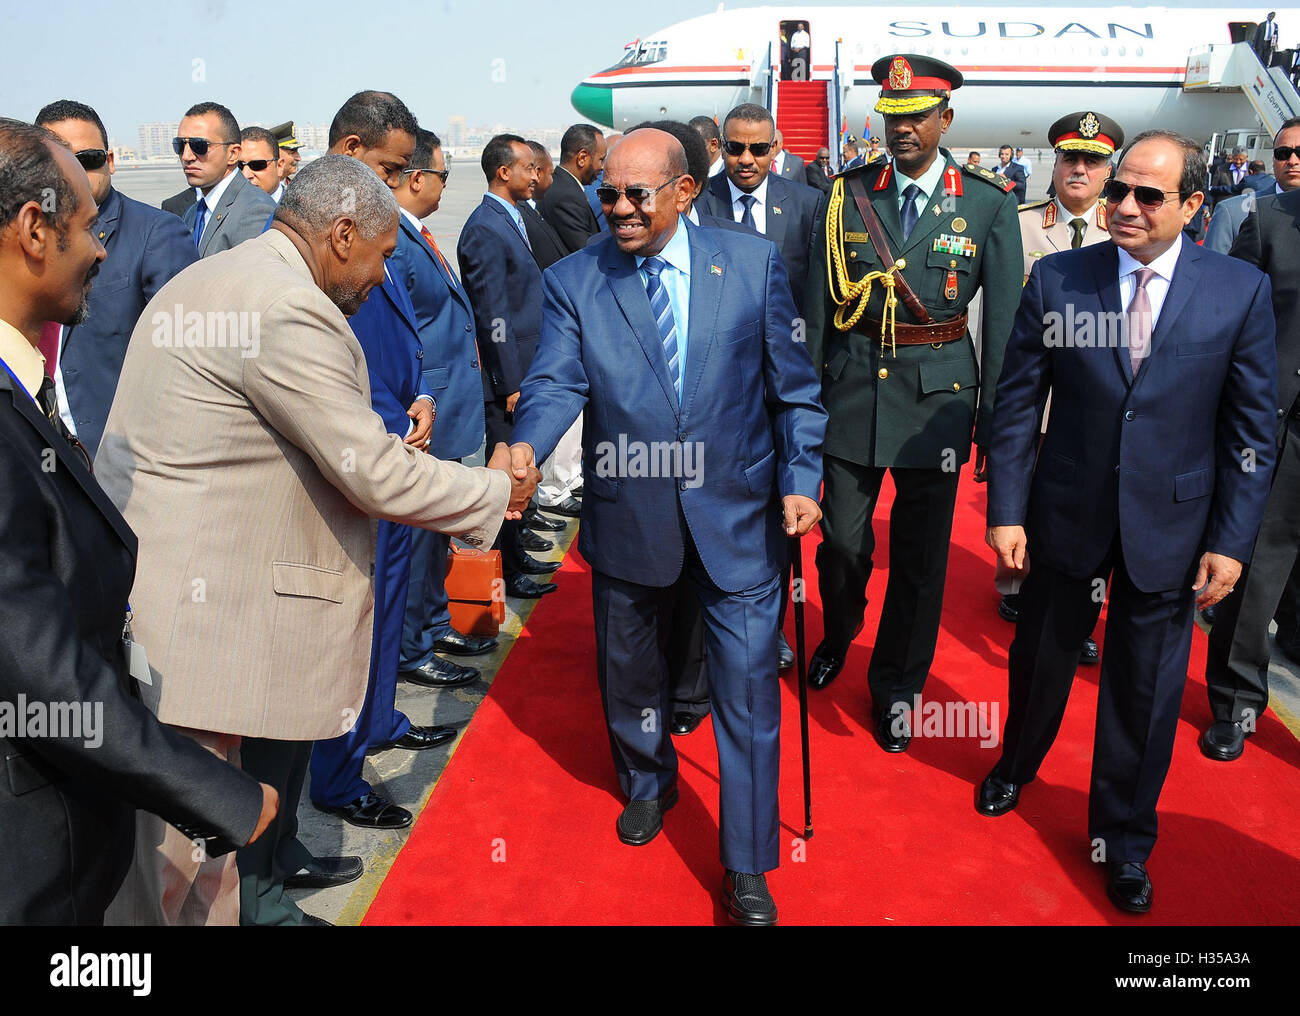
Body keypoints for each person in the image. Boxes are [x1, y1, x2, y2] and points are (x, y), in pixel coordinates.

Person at [96, 153, 533, 926]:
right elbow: (372, 474)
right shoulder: (289, 306)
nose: (379, 275)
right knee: (178, 877)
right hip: (210, 626)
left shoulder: (214, 278)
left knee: (208, 858)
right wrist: (497, 492)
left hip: (170, 605)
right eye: (381, 254)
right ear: (340, 235)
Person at [509, 128, 826, 925]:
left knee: (749, 698)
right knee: (631, 680)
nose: (617, 207)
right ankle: (648, 783)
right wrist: (521, 449)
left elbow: (795, 390)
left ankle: (748, 863)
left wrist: (801, 476)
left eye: (635, 194)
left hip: (740, 519)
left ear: (685, 193)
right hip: (629, 516)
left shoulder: (751, 267)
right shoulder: (574, 280)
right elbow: (554, 382)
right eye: (607, 193)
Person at [980, 130, 1277, 914]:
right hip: (1066, 510)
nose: (1127, 207)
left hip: (1173, 528)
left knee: (1143, 693)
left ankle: (1123, 839)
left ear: (1193, 206)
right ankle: (1017, 762)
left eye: (1150, 195)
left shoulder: (1236, 292)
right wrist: (1005, 510)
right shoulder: (1057, 279)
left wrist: (1231, 543)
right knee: (1041, 659)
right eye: (1120, 191)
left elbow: (1250, 433)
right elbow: (1014, 407)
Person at [0, 117, 276, 926]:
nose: (102, 251)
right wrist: (210, 788)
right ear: (33, 229)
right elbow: (39, 663)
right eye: (86, 227)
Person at [803, 55, 1024, 755]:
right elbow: (816, 311)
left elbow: (1009, 323)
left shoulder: (987, 203)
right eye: (893, 117)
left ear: (946, 120)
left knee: (924, 562)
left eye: (917, 117)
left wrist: (998, 424)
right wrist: (802, 410)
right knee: (840, 544)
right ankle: (840, 629)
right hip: (853, 390)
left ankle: (898, 687)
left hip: (941, 402)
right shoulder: (845, 194)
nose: (901, 129)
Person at [308, 93, 460, 854]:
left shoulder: (374, 233)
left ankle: (378, 722)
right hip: (363, 460)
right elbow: (329, 370)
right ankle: (337, 777)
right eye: (393, 166)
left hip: (401, 442)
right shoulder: (323, 245)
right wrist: (389, 424)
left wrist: (422, 396)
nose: (402, 180)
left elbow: (405, 337)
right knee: (355, 627)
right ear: (352, 147)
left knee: (388, 611)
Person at [997, 110, 1126, 667]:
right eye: (1070, 158)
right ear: (1054, 163)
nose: (1079, 169)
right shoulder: (1018, 224)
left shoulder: (1126, 231)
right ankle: (1018, 583)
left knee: (1085, 507)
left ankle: (1077, 610)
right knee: (1024, 493)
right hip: (1029, 391)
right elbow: (991, 313)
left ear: (1107, 170)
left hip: (1091, 400)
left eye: (1092, 160)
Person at [392, 129, 500, 683]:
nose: (443, 185)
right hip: (424, 414)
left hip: (448, 405)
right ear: (417, 178)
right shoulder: (397, 246)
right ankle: (413, 647)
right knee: (417, 541)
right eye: (441, 175)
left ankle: (434, 624)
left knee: (436, 537)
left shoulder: (420, 237)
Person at [1198, 178, 1300, 762]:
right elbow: (1230, 321)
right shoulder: (1270, 220)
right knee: (1258, 563)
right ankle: (1235, 699)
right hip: (1279, 430)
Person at [33, 99, 196, 458]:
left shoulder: (157, 234)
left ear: (110, 162)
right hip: (39, 448)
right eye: (57, 162)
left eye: (87, 159)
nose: (73, 172)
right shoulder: (26, 241)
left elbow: (188, 361)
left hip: (120, 458)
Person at [458, 134, 558, 599]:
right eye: (528, 169)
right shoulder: (483, 227)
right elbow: (492, 313)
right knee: (504, 474)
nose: (535, 176)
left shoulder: (510, 218)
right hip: (508, 379)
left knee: (521, 471)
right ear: (504, 172)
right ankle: (504, 573)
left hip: (527, 367)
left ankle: (517, 557)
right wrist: (511, 381)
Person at [696, 103, 823, 313]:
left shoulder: (806, 204)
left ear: (773, 148)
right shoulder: (697, 202)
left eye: (758, 149)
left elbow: (815, 288)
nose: (746, 159)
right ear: (722, 146)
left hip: (786, 334)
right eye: (735, 148)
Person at [175, 102, 276, 256]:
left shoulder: (254, 210)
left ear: (233, 154)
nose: (187, 156)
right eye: (180, 145)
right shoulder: (194, 212)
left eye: (199, 146)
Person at [1205, 118, 1300, 253]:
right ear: (1273, 160)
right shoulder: (1233, 213)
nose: (1292, 161)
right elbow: (1213, 269)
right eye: (1283, 153)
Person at [540, 123, 606, 254]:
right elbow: (586, 251)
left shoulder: (563, 186)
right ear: (582, 158)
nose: (603, 167)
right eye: (601, 160)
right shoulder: (566, 196)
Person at [238, 125, 284, 201]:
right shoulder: (220, 208)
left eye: (257, 165)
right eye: (239, 166)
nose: (245, 174)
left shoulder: (300, 210)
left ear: (279, 166)